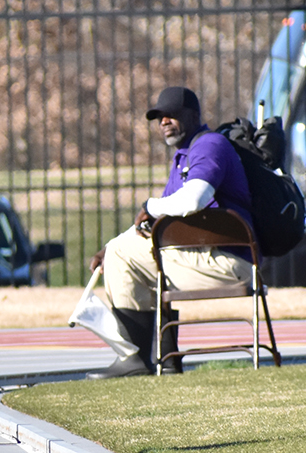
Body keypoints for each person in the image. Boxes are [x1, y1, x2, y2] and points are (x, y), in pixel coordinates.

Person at [86, 86, 255, 378]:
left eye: (171, 114)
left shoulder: (209, 145)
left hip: (230, 262)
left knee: (122, 257)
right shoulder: (183, 157)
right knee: (120, 252)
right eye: (159, 117)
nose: (164, 121)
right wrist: (112, 244)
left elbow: (192, 200)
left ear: (193, 115)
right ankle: (167, 360)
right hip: (207, 259)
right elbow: (155, 220)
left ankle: (134, 359)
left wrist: (148, 206)